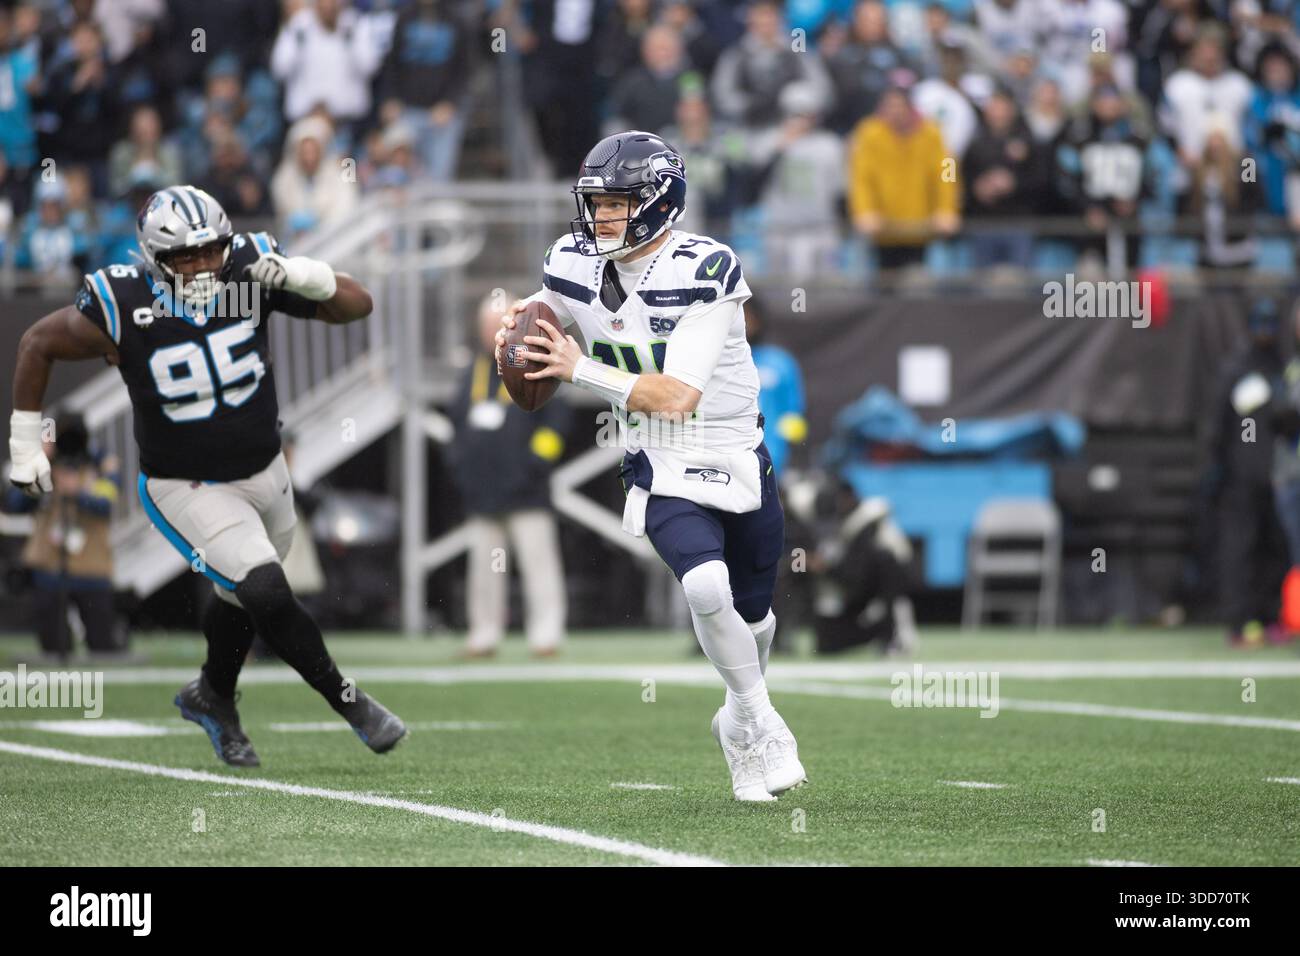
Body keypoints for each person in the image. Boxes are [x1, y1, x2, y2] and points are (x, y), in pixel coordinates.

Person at [8, 184, 405, 767]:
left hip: (266, 471)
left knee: (243, 596)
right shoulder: (124, 300)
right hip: (184, 483)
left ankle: (212, 694)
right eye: (184, 257)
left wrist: (303, 274)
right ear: (154, 259)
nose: (200, 268)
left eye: (209, 251)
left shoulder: (247, 270)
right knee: (265, 587)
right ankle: (350, 702)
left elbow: (357, 304)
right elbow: (35, 342)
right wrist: (24, 443)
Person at [494, 131, 807, 802]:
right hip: (659, 458)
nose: (599, 218)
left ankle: (735, 722)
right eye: (595, 204)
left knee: (754, 619)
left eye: (614, 205)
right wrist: (522, 325)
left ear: (659, 204)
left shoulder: (706, 267)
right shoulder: (573, 260)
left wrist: (577, 367)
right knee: (702, 585)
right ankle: (760, 720)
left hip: (729, 447)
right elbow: (549, 309)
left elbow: (677, 396)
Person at [448, 293, 570, 658]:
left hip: (526, 491)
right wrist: (460, 462)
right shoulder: (474, 369)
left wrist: (536, 463)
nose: (492, 332)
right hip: (483, 492)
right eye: (486, 326)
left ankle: (545, 636)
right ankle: (483, 635)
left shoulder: (532, 360)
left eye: (498, 324)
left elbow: (557, 422)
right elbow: (456, 421)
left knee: (539, 564)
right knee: (484, 569)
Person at [4, 413, 123, 660]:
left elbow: (106, 505)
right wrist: (41, 461)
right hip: (50, 570)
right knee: (53, 650)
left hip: (93, 569)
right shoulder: (45, 468)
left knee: (104, 650)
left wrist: (78, 492)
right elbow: (16, 503)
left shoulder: (101, 466)